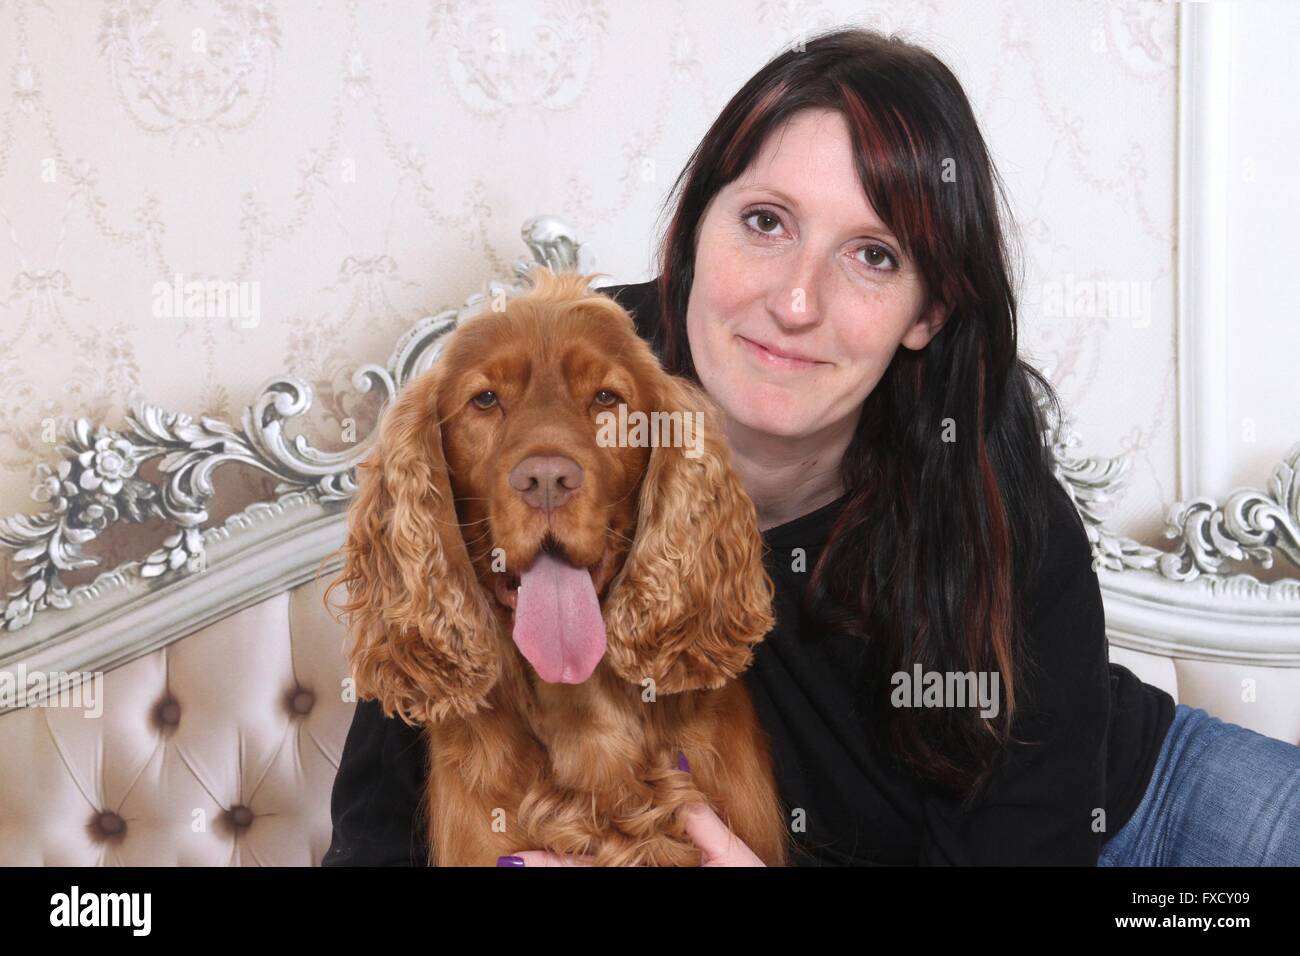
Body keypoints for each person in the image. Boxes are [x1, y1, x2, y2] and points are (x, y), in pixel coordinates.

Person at [324, 26, 1300, 867]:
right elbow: (379, 828)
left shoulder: (987, 485)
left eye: (873, 256)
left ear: (926, 312)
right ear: (690, 232)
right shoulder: (547, 386)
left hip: (1137, 806)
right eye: (764, 222)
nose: (796, 302)